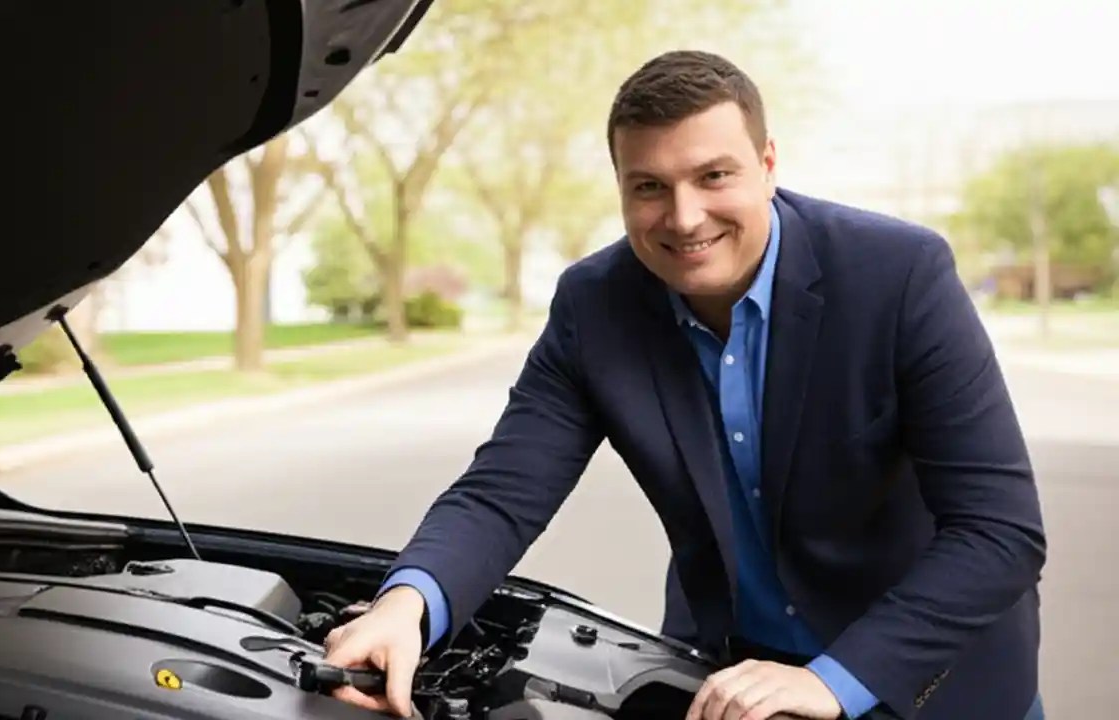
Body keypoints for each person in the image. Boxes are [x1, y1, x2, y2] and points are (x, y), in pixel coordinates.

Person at [322, 50, 1047, 720]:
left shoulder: (899, 275)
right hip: (731, 681)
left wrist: (833, 678)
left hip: (921, 680)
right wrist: (405, 605)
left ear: (767, 164)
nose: (684, 216)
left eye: (714, 176)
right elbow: (504, 489)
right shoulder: (593, 303)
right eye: (649, 187)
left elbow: (998, 532)